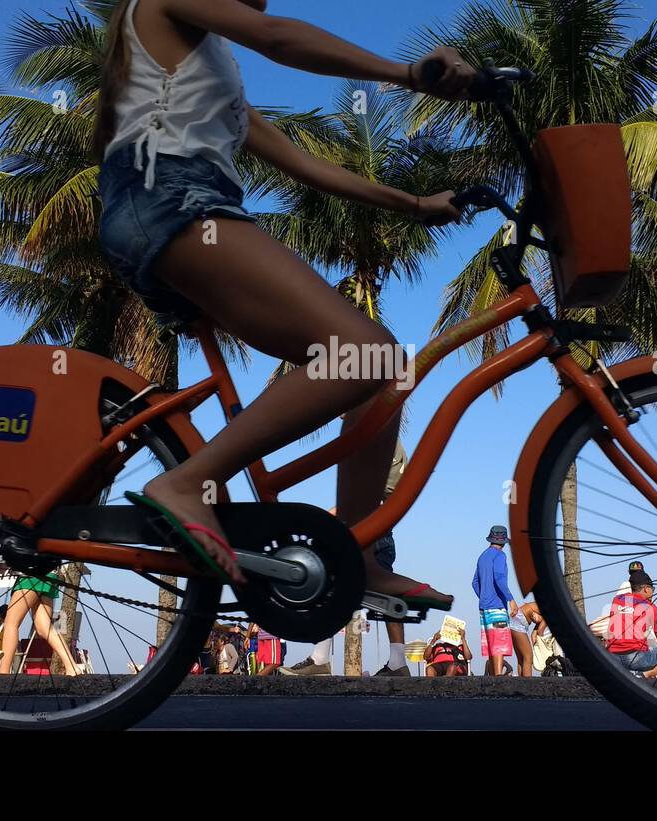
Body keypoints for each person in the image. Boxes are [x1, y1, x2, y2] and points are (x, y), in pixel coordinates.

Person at [95, 0, 473, 607]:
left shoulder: (213, 77)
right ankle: (188, 483)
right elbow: (279, 39)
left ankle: (356, 552)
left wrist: (415, 203)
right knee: (365, 353)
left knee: (376, 376)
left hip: (181, 207)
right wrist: (407, 74)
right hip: (169, 200)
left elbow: (308, 166)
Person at [282, 444, 411, 676]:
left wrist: (321, 518)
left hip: (371, 532)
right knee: (384, 594)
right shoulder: (380, 438)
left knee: (334, 586)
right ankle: (397, 663)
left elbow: (364, 498)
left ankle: (321, 659)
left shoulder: (375, 438)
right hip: (377, 531)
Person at [0, 571, 82, 676]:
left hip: (31, 573)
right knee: (44, 628)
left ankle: (3, 672)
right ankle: (71, 665)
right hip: (50, 574)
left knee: (11, 623)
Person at [605, 570, 657, 677]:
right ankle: (644, 675)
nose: (652, 592)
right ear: (645, 588)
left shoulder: (617, 599)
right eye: (652, 589)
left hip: (612, 656)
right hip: (635, 657)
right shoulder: (651, 607)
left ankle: (629, 673)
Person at [472, 525, 516, 676]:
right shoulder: (500, 556)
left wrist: (485, 595)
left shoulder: (482, 556)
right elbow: (499, 578)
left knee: (491, 644)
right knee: (499, 644)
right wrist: (510, 599)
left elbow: (474, 583)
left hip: (484, 608)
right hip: (497, 607)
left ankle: (492, 679)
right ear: (504, 541)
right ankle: (498, 680)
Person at [508, 600, 547, 677]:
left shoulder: (544, 606)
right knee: (528, 657)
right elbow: (540, 631)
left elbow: (533, 635)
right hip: (518, 622)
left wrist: (535, 647)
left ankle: (521, 684)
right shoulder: (550, 612)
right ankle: (528, 685)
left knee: (521, 659)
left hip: (514, 620)